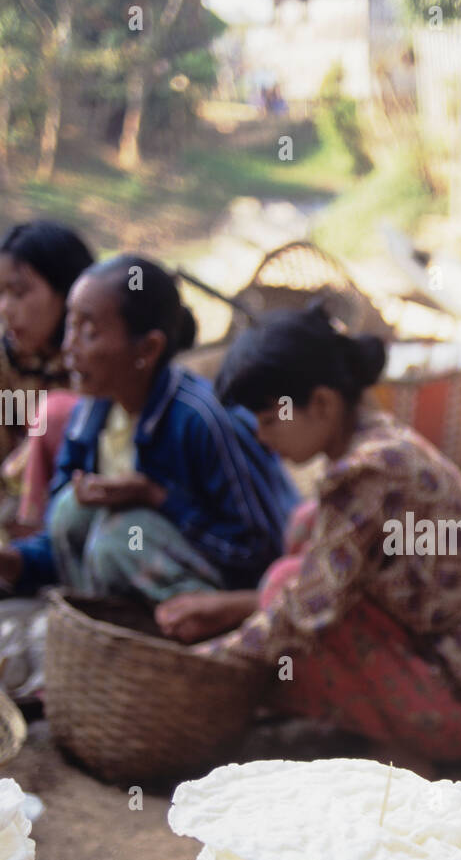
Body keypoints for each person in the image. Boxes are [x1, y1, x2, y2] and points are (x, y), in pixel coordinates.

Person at [156, 303, 461, 766]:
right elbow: (329, 579)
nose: (263, 437)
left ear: (323, 404)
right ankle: (387, 733)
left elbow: (307, 610)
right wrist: (229, 608)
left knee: (285, 609)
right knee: (300, 541)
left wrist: (198, 666)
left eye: (268, 419)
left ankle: (410, 754)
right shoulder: (381, 442)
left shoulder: (368, 471)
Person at [0, 255, 297, 601]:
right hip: (133, 573)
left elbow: (255, 549)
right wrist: (12, 561)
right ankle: (99, 622)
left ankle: (173, 639)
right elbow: (61, 540)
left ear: (148, 348)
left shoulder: (199, 420)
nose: (69, 347)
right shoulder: (90, 415)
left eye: (89, 331)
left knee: (120, 539)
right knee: (69, 508)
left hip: (227, 594)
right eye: (70, 325)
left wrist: (157, 497)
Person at [0, 221, 95, 528]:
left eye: (18, 293)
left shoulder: (102, 362)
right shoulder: (9, 362)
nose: (5, 308)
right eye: (0, 294)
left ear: (67, 292)